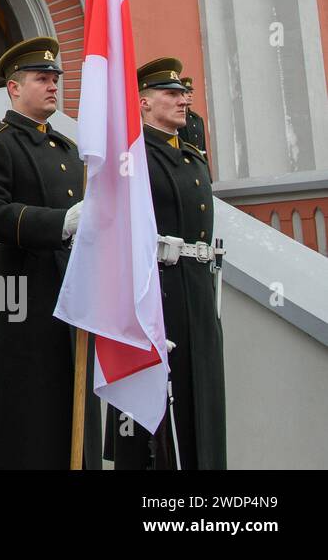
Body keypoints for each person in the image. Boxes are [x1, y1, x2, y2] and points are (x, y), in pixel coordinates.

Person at [0, 37, 100, 469]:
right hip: (22, 295)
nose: (52, 86)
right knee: (26, 411)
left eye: (54, 79)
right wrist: (58, 224)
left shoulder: (66, 149)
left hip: (71, 290)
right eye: (41, 79)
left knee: (70, 404)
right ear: (14, 88)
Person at [106, 57, 225, 470]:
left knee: (202, 400)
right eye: (170, 94)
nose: (182, 100)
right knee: (155, 421)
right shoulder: (133, 156)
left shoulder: (192, 157)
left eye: (182, 94)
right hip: (158, 291)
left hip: (197, 290)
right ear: (142, 103)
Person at [180, 76, 209, 171]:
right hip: (185, 166)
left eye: (191, 92)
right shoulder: (176, 118)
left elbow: (203, 148)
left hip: (199, 165)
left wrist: (207, 172)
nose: (190, 95)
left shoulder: (197, 119)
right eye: (186, 92)